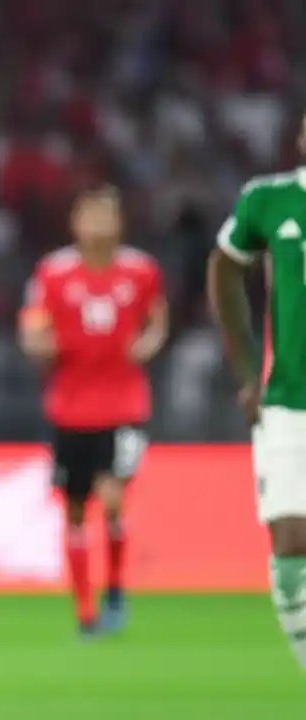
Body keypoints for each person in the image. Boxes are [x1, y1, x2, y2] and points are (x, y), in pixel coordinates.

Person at [18, 186, 168, 637]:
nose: (98, 224)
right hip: (69, 408)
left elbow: (158, 319)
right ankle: (85, 609)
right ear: (75, 222)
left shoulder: (140, 271)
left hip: (124, 404)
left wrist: (150, 343)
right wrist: (39, 344)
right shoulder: (53, 272)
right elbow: (33, 324)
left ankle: (116, 589)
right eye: (90, 215)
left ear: (119, 222)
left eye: (106, 215)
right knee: (76, 508)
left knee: (114, 497)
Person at [209, 117, 306, 669]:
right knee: (291, 551)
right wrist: (248, 370)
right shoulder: (269, 200)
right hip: (289, 403)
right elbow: (224, 269)